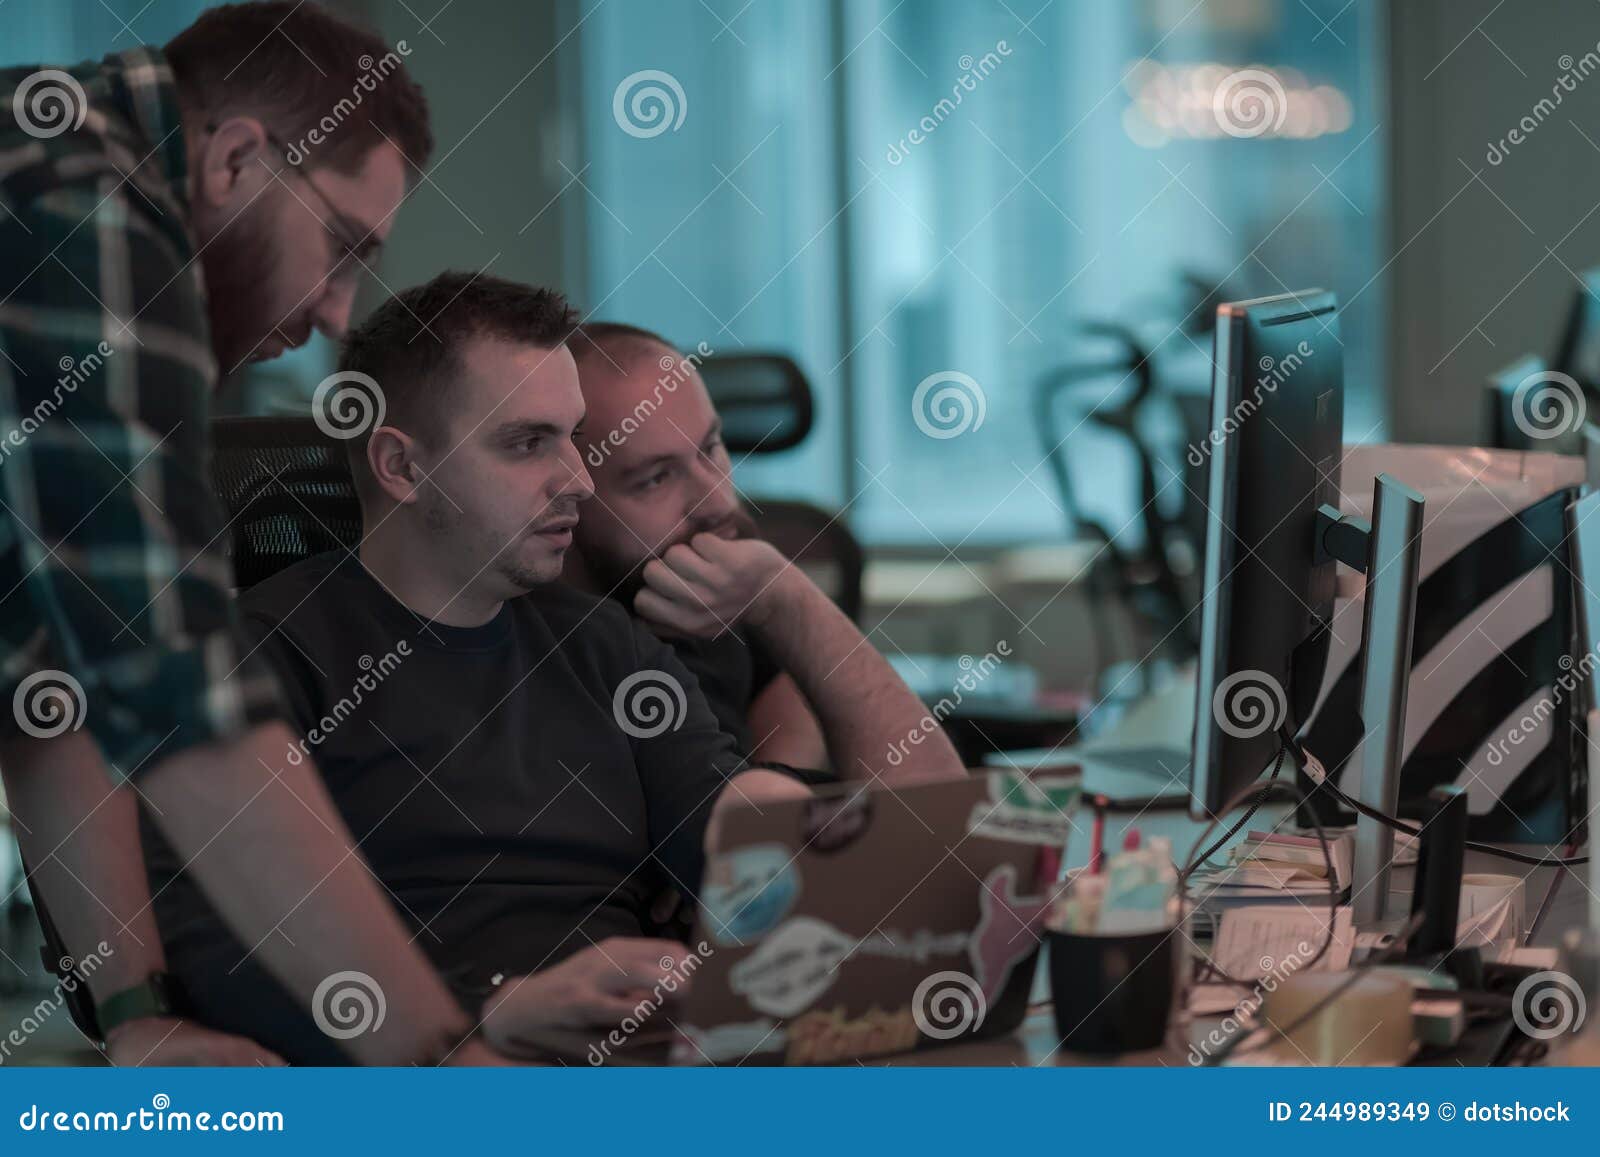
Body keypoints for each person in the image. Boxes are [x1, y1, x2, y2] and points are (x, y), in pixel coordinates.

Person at [144, 272, 821, 1063]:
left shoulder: (608, 647)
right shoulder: (263, 655)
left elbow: (722, 837)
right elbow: (211, 954)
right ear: (401, 466)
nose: (577, 477)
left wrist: (784, 820)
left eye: (572, 436)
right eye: (528, 443)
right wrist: (487, 1011)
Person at [0, 3, 503, 1065]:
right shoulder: (82, 195)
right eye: (343, 247)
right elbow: (177, 686)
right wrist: (447, 1065)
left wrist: (140, 1013)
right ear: (233, 158)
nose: (337, 313)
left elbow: (53, 684)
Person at [564, 323, 965, 781]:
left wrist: (780, 769)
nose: (717, 501)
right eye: (656, 478)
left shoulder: (702, 583)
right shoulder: (600, 667)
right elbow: (931, 823)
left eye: (711, 448)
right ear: (568, 501)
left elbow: (784, 687)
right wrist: (788, 602)